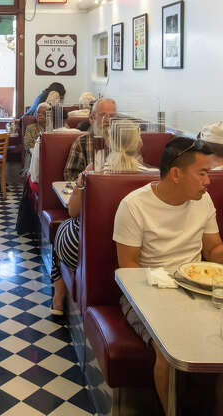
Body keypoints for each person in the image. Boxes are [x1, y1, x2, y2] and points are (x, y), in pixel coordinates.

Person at [113, 136, 223, 413]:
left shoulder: (202, 201)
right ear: (175, 174)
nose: (209, 181)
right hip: (145, 293)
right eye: (203, 173)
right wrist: (163, 295)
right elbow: (127, 267)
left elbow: (213, 249)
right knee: (167, 350)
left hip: (198, 287)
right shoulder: (134, 206)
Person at [51, 117, 146, 314]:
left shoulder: (93, 172)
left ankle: (58, 300)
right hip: (135, 251)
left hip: (86, 245)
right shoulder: (152, 176)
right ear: (139, 143)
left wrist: (79, 184)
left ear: (109, 142)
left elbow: (73, 211)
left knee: (61, 229)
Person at [62, 98, 117, 181]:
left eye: (112, 116)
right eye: (103, 115)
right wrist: (86, 173)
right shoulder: (82, 142)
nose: (108, 120)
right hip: (91, 190)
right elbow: (70, 176)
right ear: (93, 117)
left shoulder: (123, 141)